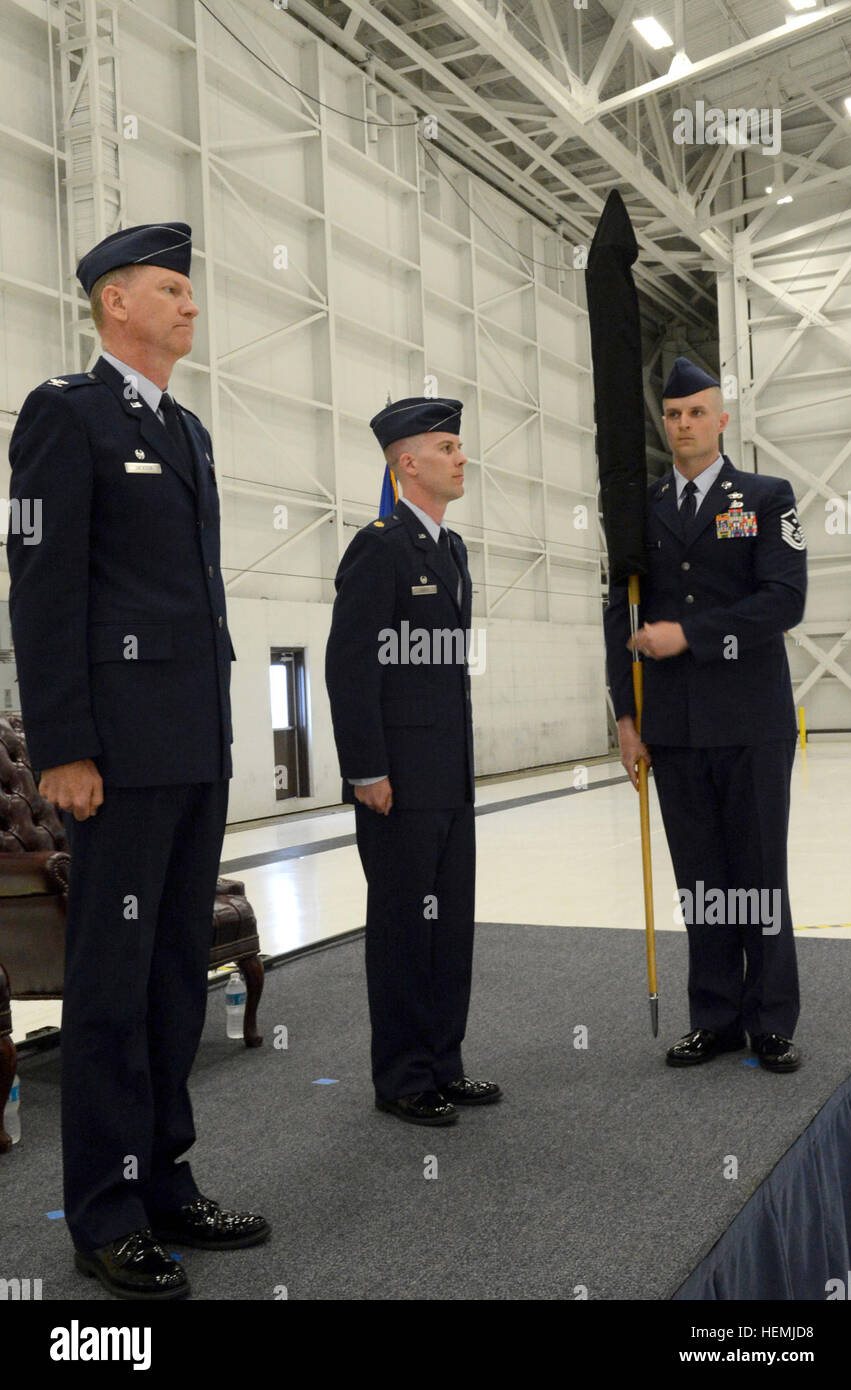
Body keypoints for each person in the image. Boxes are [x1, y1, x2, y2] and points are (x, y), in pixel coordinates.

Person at [6, 222, 268, 1300]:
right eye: (172, 288)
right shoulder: (65, 417)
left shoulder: (191, 431)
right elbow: (42, 587)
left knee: (173, 979)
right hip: (113, 759)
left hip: (192, 746)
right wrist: (63, 745)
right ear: (116, 302)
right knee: (112, 991)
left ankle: (165, 1179)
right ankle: (105, 1212)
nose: (190, 304)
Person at [604, 357, 807, 1073]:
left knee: (758, 872)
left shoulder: (765, 496)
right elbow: (618, 613)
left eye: (697, 412)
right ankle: (716, 1016)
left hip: (751, 721)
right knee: (702, 878)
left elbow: (785, 599)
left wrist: (689, 634)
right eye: (673, 414)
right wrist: (627, 720)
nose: (684, 424)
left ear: (723, 420)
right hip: (675, 726)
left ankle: (772, 1018)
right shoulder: (643, 507)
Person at [325, 396, 500, 1125]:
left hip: (448, 778)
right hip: (397, 780)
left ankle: (443, 1062)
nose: (463, 458)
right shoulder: (380, 546)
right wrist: (367, 769)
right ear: (407, 463)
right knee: (403, 932)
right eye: (448, 446)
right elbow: (349, 667)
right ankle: (401, 1076)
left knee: (449, 926)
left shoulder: (450, 550)